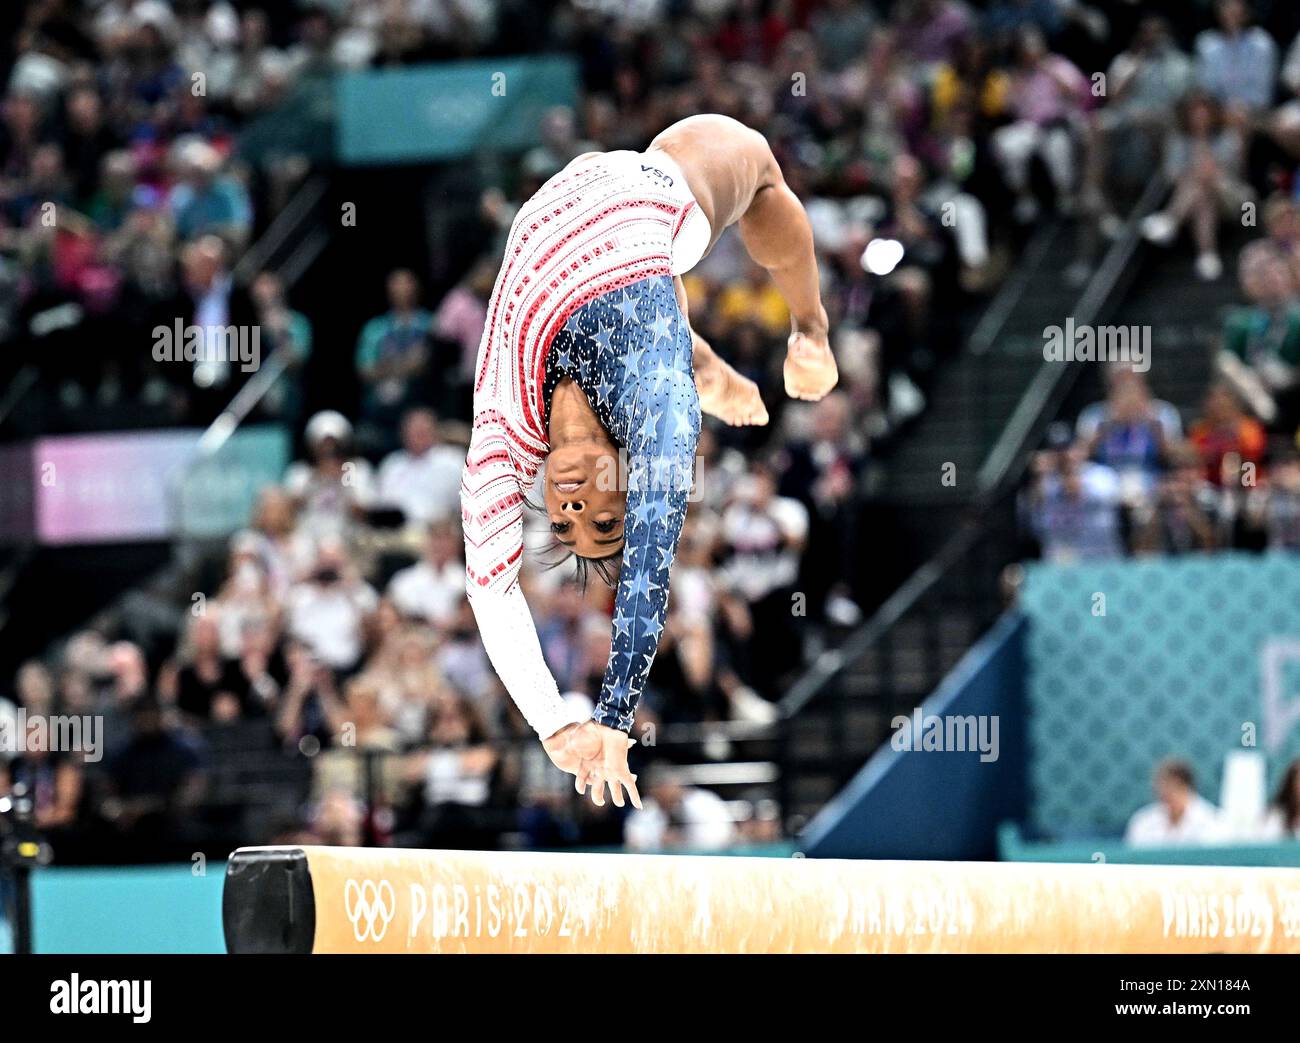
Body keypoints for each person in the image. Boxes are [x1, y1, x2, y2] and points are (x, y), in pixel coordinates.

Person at [461, 114, 836, 808]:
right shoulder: (659, 423)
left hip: (577, 212)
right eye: (601, 514)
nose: (575, 503)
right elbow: (650, 561)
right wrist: (610, 716)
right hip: (646, 205)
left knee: (662, 323)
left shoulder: (504, 427)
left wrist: (550, 719)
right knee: (755, 166)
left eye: (564, 516)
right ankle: (809, 331)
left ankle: (698, 354)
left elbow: (490, 588)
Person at [1124, 758, 1224, 847]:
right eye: (1161, 789)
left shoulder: (1213, 821)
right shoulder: (1142, 821)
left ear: (1187, 787)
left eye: (1172, 788)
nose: (1165, 794)